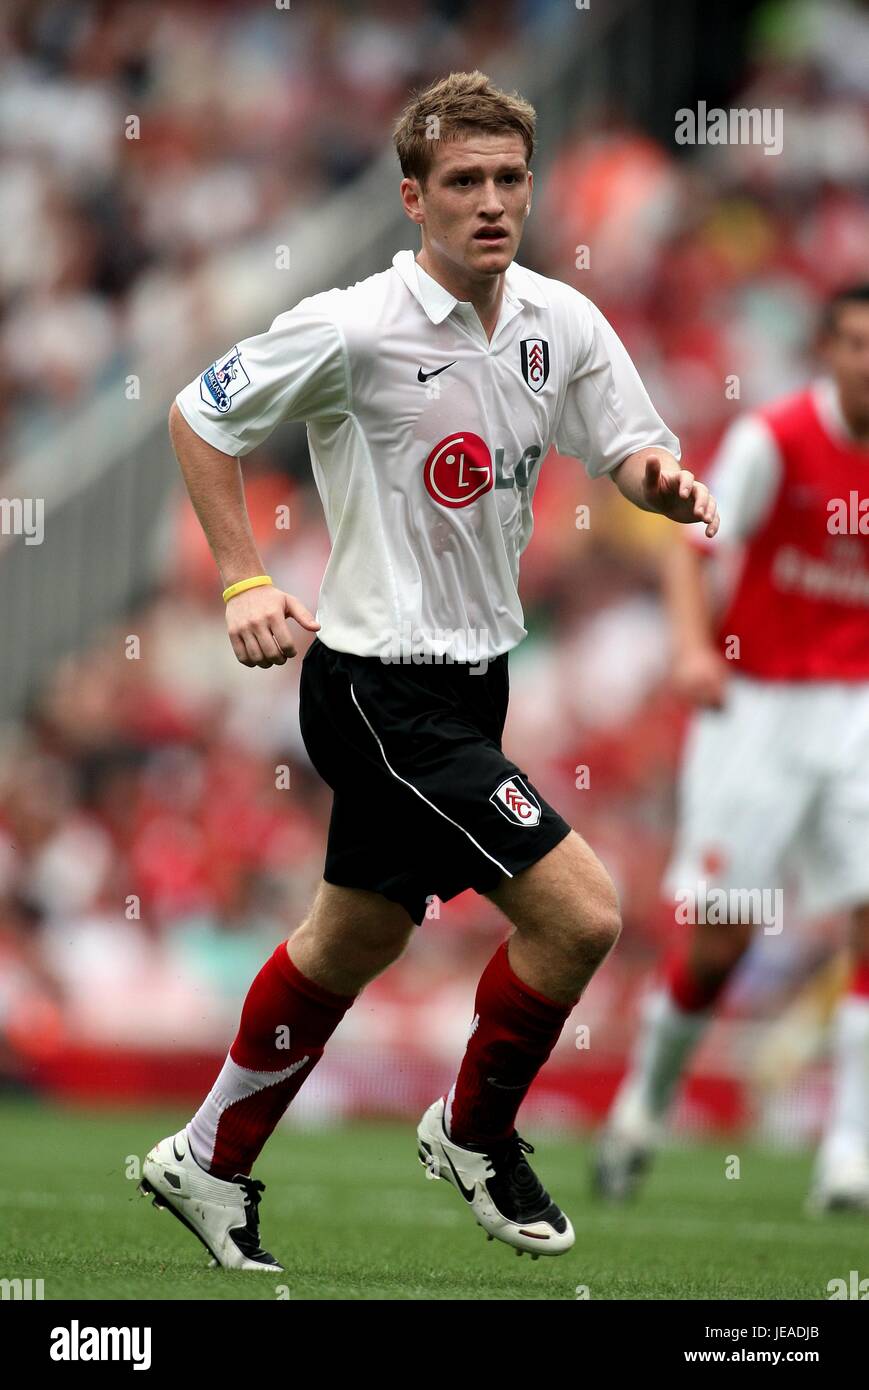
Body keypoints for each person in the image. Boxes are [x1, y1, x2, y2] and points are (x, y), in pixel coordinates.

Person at [140, 70, 718, 1271]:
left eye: (510, 178)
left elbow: (631, 443)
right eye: (463, 181)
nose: (492, 201)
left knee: (348, 941)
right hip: (373, 688)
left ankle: (207, 1157)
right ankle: (473, 1132)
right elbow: (200, 416)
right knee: (580, 919)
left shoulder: (558, 321)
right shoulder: (353, 324)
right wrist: (246, 579)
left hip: (471, 684)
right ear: (413, 197)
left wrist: (653, 479)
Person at [596, 285, 869, 1212]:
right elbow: (690, 542)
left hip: (858, 709)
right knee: (719, 943)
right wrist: (688, 647)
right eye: (854, 343)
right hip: (757, 708)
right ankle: (645, 1102)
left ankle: (848, 1153)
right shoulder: (775, 440)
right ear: (826, 351)